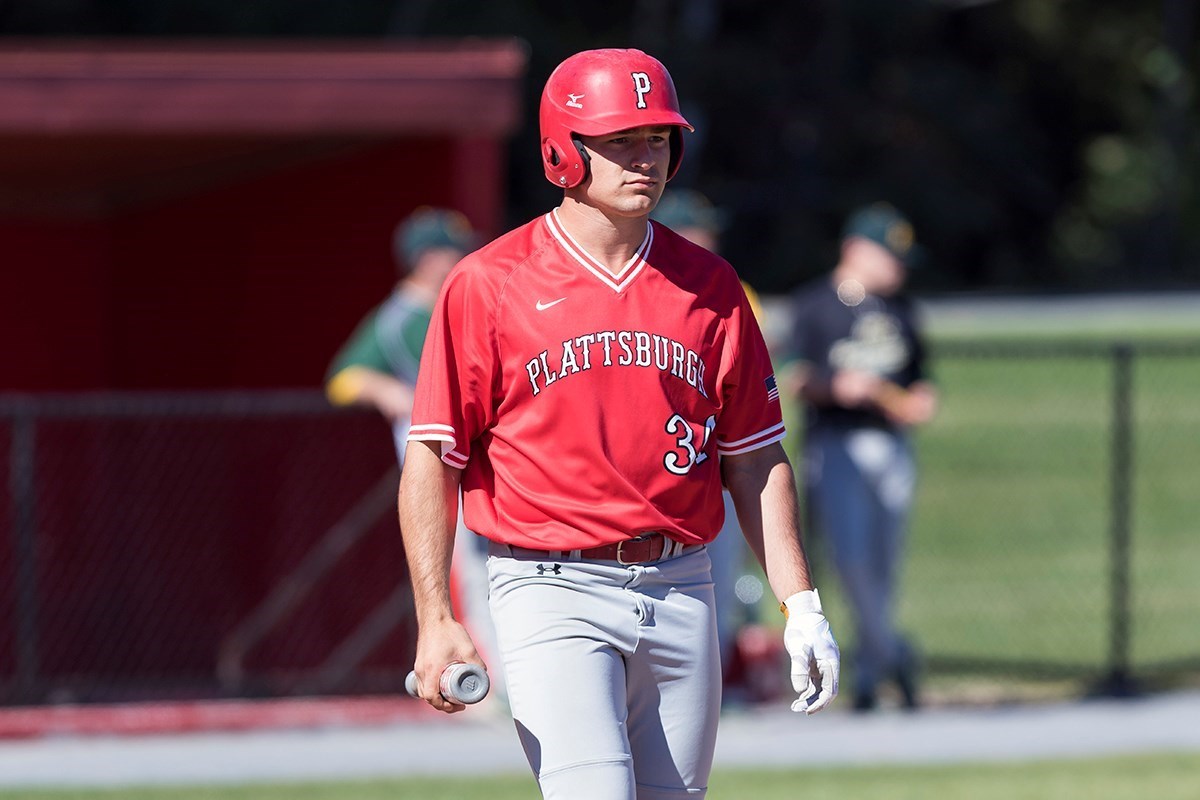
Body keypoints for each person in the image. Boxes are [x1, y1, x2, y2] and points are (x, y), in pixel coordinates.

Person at [399, 48, 840, 799]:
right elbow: (431, 461)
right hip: (549, 584)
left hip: (682, 582)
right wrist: (436, 617)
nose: (646, 159)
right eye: (619, 140)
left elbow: (755, 459)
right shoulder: (487, 283)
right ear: (561, 152)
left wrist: (801, 604)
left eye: (659, 138)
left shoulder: (711, 285)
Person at [325, 207, 506, 704]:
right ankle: (481, 681)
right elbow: (343, 379)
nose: (460, 255)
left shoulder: (454, 302)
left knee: (490, 564)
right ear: (426, 258)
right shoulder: (402, 316)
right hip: (438, 463)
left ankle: (498, 676)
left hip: (478, 456)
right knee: (462, 568)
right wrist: (389, 391)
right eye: (450, 249)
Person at [783, 202, 938, 713]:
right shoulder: (816, 304)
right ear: (856, 249)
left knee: (883, 563)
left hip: (892, 444)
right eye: (889, 255)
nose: (899, 267)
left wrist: (917, 399)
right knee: (849, 559)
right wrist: (834, 387)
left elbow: (920, 379)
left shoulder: (901, 308)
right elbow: (792, 375)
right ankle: (893, 650)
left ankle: (872, 674)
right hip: (838, 443)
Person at [649, 188, 781, 704]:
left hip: (725, 458)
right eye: (700, 230)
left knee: (719, 579)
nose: (710, 239)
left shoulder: (730, 287)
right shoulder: (649, 280)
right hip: (677, 467)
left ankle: (718, 679)